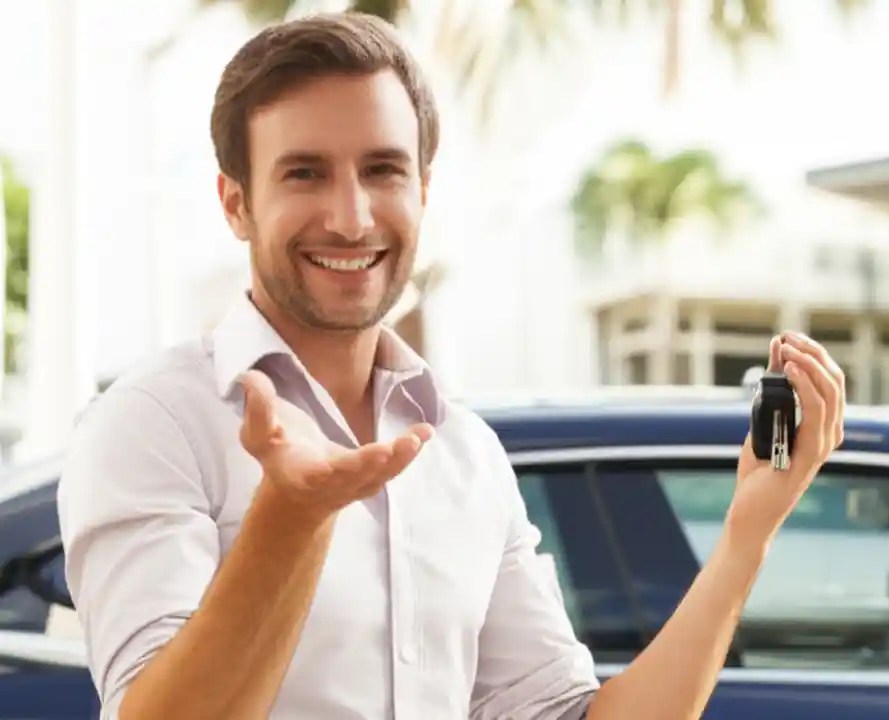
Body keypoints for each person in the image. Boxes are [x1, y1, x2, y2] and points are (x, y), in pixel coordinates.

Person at [56, 11, 848, 720]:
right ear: (236, 202)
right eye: (304, 173)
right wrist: (288, 524)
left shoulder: (463, 452)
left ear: (424, 189)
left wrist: (749, 531)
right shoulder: (150, 423)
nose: (351, 215)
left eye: (382, 170)